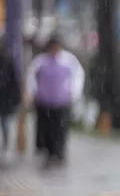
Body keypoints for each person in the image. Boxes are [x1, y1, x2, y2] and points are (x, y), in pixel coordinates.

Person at [25, 34, 84, 163]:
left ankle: (59, 151)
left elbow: (78, 76)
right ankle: (49, 150)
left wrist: (74, 94)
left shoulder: (69, 60)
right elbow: (31, 77)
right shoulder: (41, 61)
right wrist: (32, 93)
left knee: (60, 128)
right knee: (46, 128)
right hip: (44, 101)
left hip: (61, 101)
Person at [0, 39, 22, 153]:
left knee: (5, 122)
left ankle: (6, 143)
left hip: (4, 98)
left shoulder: (8, 60)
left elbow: (14, 81)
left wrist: (17, 98)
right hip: (4, 97)